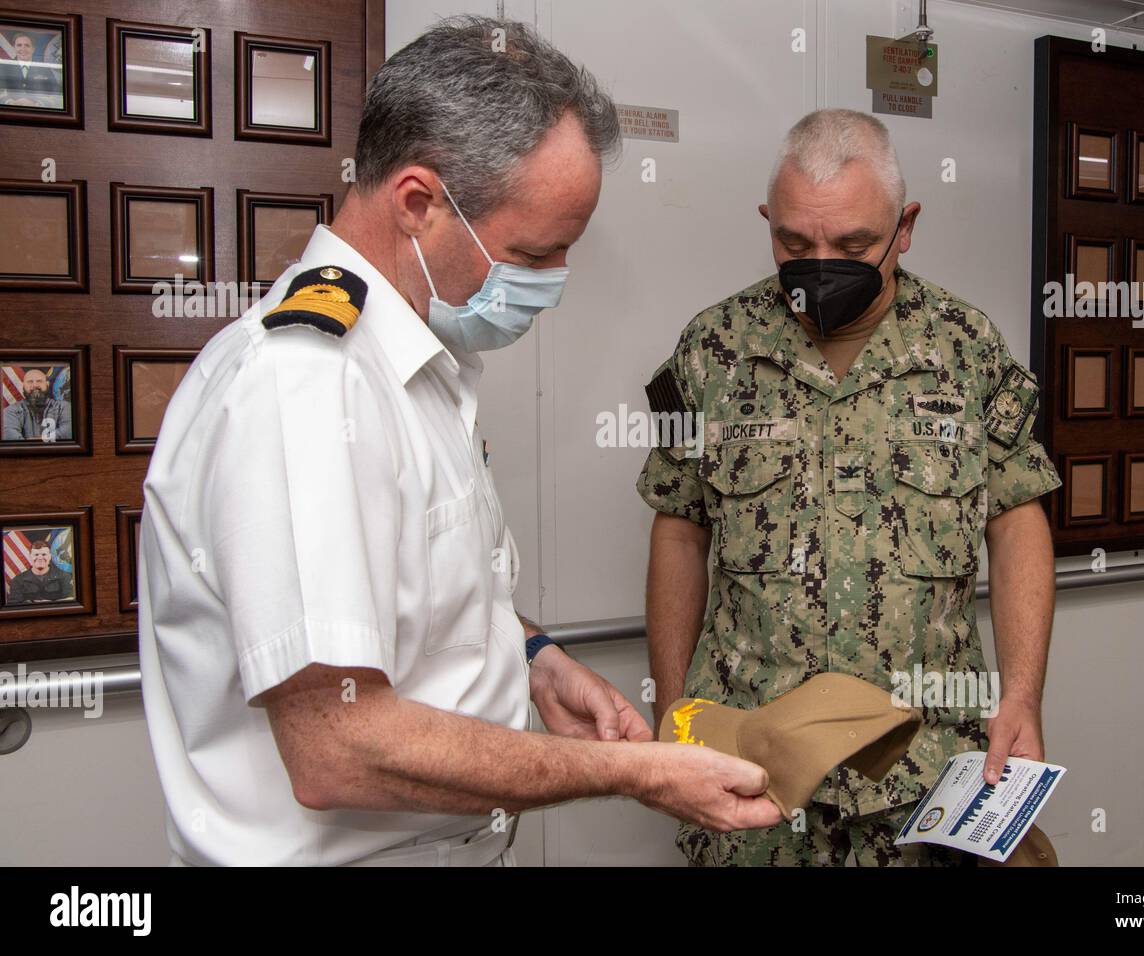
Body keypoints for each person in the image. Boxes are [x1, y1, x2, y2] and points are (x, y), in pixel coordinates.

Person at [138, 16, 780, 867]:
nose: (551, 285)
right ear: (418, 204)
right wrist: (628, 772)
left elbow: (413, 597)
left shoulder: (417, 368)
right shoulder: (306, 388)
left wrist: (538, 658)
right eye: (534, 252)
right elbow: (338, 746)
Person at [637, 109, 1062, 866]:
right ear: (768, 220)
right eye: (794, 243)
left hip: (926, 758)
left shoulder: (968, 347)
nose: (820, 262)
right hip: (753, 760)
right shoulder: (708, 351)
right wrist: (676, 709)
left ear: (906, 226)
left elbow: (1016, 516)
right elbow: (679, 525)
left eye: (854, 243)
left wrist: (1022, 695)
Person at [1, 367, 72, 441]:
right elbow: (11, 438)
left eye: (39, 381)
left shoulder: (64, 407)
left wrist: (35, 441)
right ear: (23, 386)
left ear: (47, 384)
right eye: (30, 382)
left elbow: (69, 432)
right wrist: (48, 440)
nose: (35, 385)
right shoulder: (10, 411)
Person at [5, 538, 73, 605]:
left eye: (44, 554)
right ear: (30, 556)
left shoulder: (64, 576)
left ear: (50, 556)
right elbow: (14, 607)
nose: (40, 558)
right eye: (36, 555)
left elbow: (71, 602)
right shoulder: (18, 580)